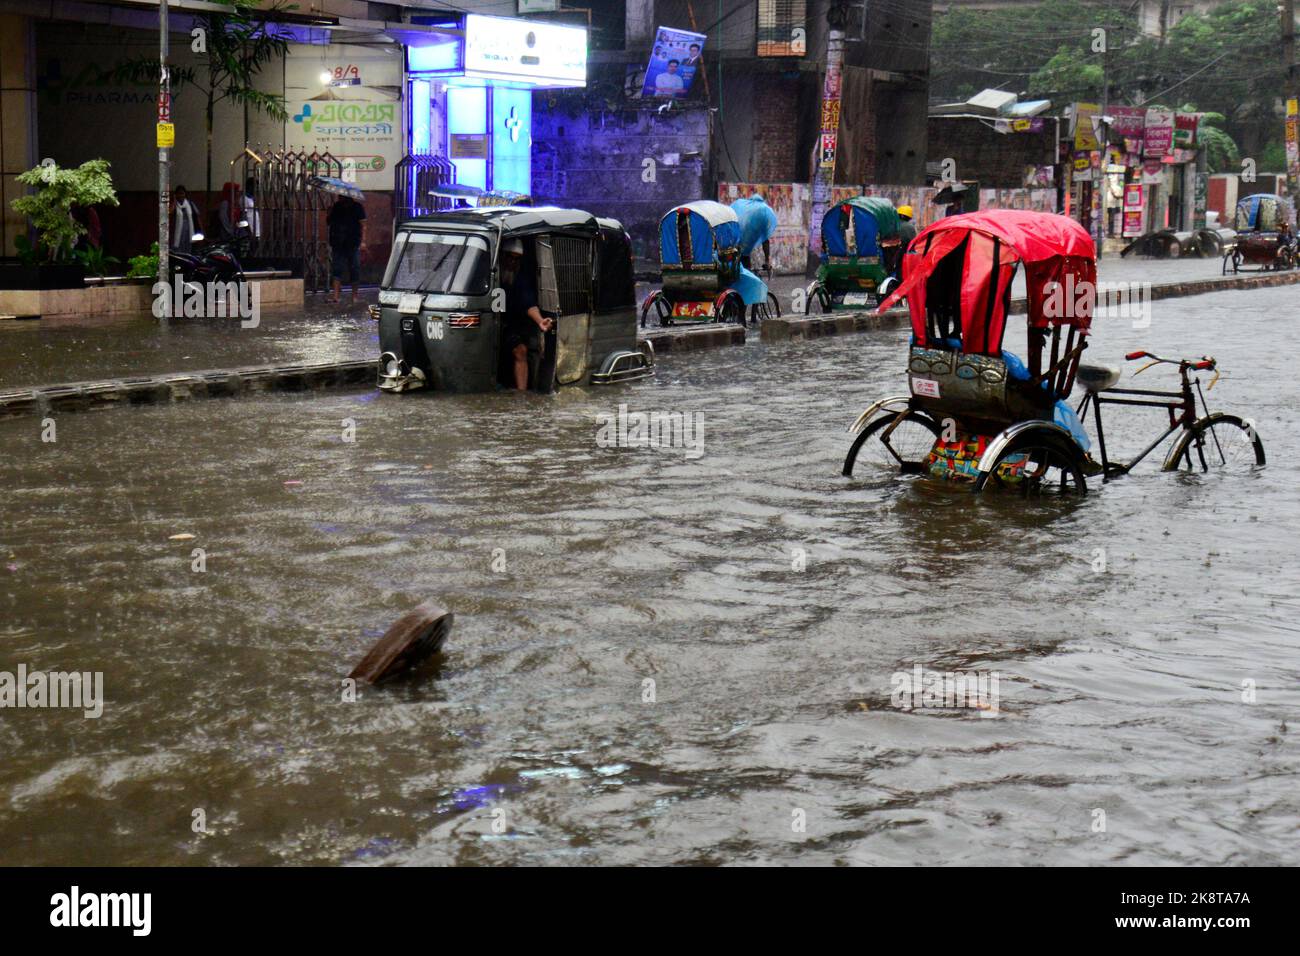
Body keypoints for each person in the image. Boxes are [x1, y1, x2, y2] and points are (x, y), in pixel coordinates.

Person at [498, 237, 552, 391]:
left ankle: (522, 394)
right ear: (502, 256)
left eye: (517, 259)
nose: (513, 263)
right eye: (510, 257)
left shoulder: (520, 280)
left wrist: (540, 321)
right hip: (490, 323)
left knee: (521, 350)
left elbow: (528, 304)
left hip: (511, 326)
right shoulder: (489, 275)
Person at [327, 194, 366, 304]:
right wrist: (329, 213)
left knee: (355, 269)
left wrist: (363, 241)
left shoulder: (358, 207)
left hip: (353, 242)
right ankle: (336, 296)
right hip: (338, 242)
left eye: (341, 196)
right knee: (337, 269)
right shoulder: (336, 207)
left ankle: (354, 296)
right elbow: (329, 222)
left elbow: (363, 225)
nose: (339, 197)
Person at [171, 185, 199, 254]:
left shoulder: (190, 204)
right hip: (177, 232)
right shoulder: (174, 205)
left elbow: (197, 216)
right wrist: (174, 200)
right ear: (176, 195)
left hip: (189, 231)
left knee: (187, 249)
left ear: (185, 194)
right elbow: (170, 212)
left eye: (182, 193)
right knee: (178, 249)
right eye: (179, 193)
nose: (180, 195)